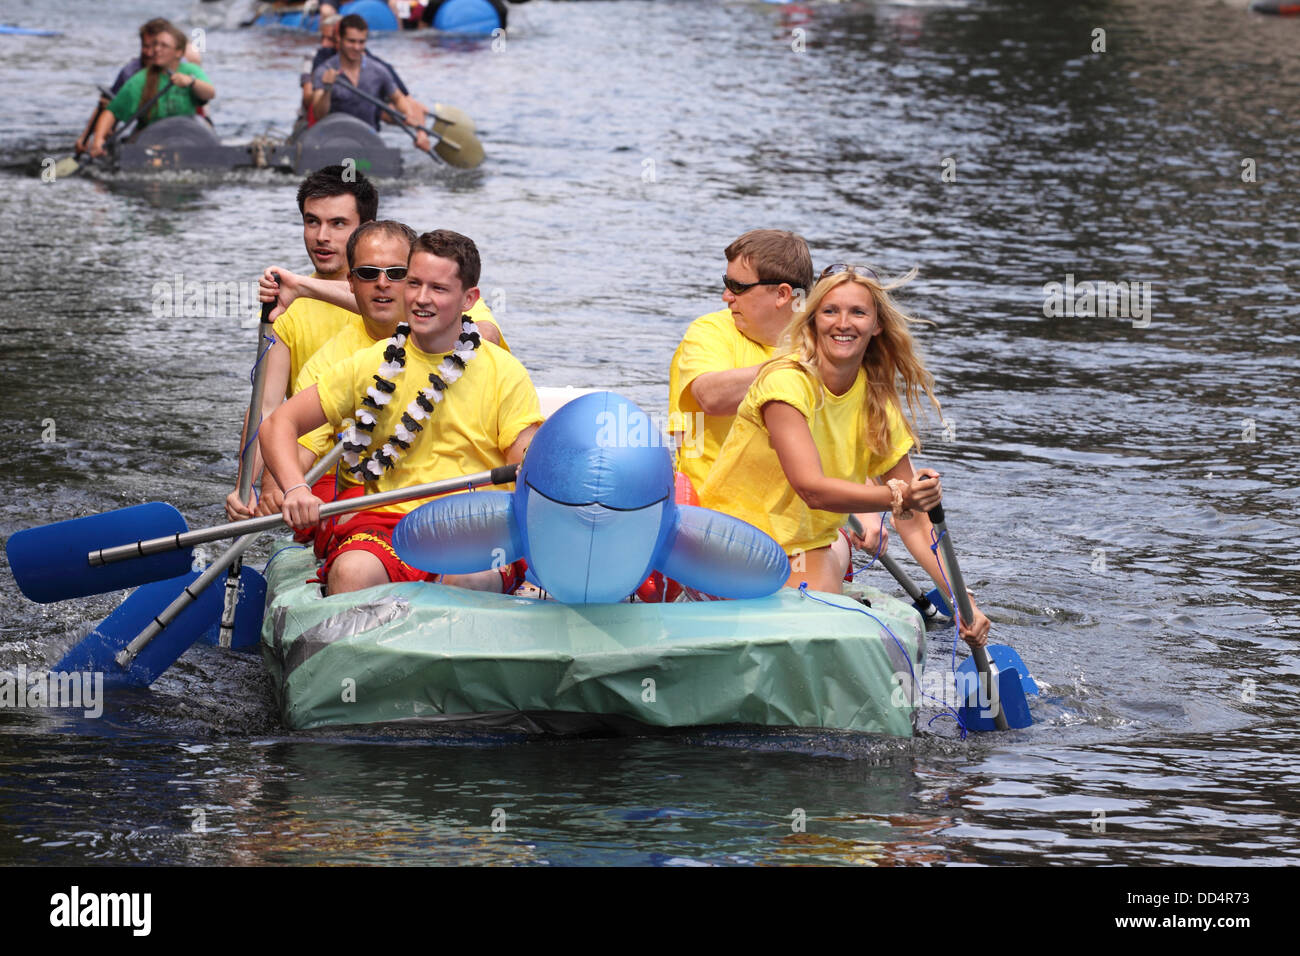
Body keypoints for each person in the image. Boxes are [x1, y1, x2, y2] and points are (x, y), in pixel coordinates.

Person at [697, 264, 991, 647]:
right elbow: (812, 489)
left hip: (804, 546)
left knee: (821, 640)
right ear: (813, 320)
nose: (843, 323)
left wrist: (961, 601)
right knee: (807, 633)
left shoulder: (876, 402)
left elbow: (915, 524)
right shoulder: (786, 382)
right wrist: (899, 495)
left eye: (858, 312)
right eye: (830, 311)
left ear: (877, 325)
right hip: (736, 539)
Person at [261, 230, 542, 595]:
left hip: (475, 526)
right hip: (387, 524)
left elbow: (526, 455)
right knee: (352, 572)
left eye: (438, 289)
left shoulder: (506, 372)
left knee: (470, 580)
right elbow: (279, 423)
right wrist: (296, 488)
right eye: (413, 284)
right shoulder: (369, 364)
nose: (421, 299)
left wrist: (536, 465)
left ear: (468, 299)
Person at [668, 230, 813, 494]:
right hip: (711, 510)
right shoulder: (710, 330)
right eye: (727, 283)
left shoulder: (822, 347)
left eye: (738, 287)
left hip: (792, 517)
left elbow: (845, 439)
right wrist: (801, 365)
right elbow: (711, 397)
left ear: (782, 295)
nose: (726, 296)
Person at [75, 18, 204, 153]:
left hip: (188, 125)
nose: (151, 52)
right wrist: (89, 138)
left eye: (158, 46)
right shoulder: (131, 73)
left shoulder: (184, 68)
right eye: (146, 46)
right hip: (149, 126)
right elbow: (110, 106)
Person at [311, 13, 430, 151]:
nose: (357, 47)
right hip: (332, 143)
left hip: (368, 144)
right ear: (339, 39)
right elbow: (320, 114)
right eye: (351, 41)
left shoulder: (379, 71)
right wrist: (327, 88)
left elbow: (398, 98)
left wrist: (408, 114)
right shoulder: (323, 71)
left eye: (361, 42)